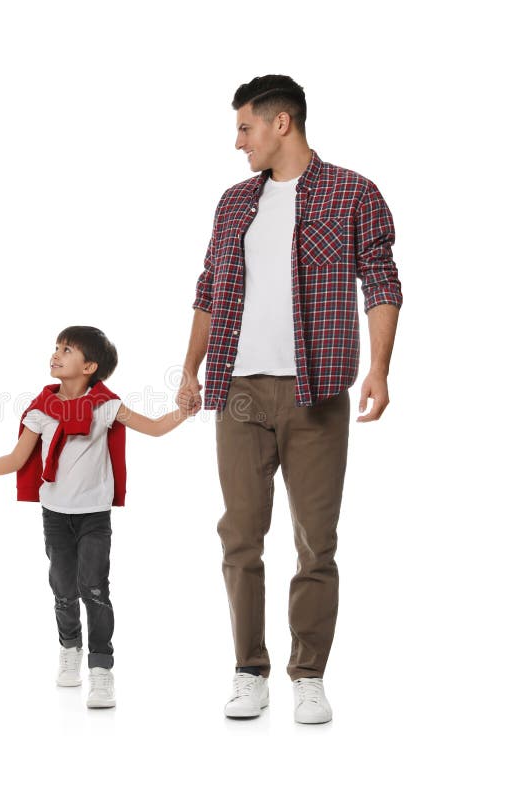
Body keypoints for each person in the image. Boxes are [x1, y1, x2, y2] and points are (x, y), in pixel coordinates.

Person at [176, 76, 403, 723]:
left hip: (317, 391)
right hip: (238, 392)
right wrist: (190, 369)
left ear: (282, 124)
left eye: (244, 127)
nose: (238, 142)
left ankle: (309, 674)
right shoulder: (233, 203)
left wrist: (379, 369)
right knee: (240, 537)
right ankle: (249, 670)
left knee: (316, 542)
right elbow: (209, 289)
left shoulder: (353, 193)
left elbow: (381, 282)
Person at [0, 326, 192, 708]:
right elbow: (18, 458)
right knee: (63, 589)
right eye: (57, 347)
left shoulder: (105, 406)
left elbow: (155, 428)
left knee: (94, 589)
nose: (56, 354)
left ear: (90, 367)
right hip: (55, 515)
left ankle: (101, 669)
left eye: (67, 350)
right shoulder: (42, 409)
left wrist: (184, 412)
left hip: (94, 515)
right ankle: (70, 647)